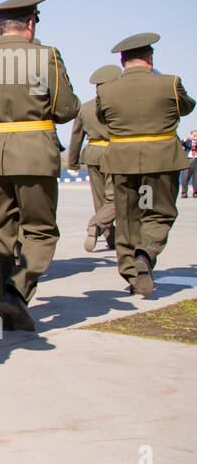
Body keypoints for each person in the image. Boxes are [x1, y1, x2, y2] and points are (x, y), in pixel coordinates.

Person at [0, 0, 80, 331]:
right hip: (34, 154)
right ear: (30, 25)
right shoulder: (46, 57)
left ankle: (3, 309)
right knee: (40, 230)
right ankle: (18, 289)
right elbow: (67, 109)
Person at [95, 32, 194, 296]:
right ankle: (145, 255)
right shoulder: (170, 83)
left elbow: (102, 119)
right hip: (160, 159)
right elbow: (186, 107)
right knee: (158, 212)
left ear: (122, 60)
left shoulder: (106, 89)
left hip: (121, 160)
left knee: (127, 218)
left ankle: (132, 275)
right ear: (149, 58)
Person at [68, 64, 121, 251]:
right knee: (115, 198)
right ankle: (96, 225)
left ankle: (111, 238)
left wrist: (72, 162)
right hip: (115, 154)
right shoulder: (118, 105)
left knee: (99, 199)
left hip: (92, 153)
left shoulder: (85, 107)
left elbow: (76, 136)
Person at [183, 130, 197, 198]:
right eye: (194, 135)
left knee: (196, 178)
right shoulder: (187, 142)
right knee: (185, 177)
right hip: (188, 160)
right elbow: (180, 143)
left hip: (196, 160)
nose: (195, 137)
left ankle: (195, 193)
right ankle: (184, 192)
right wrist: (188, 138)